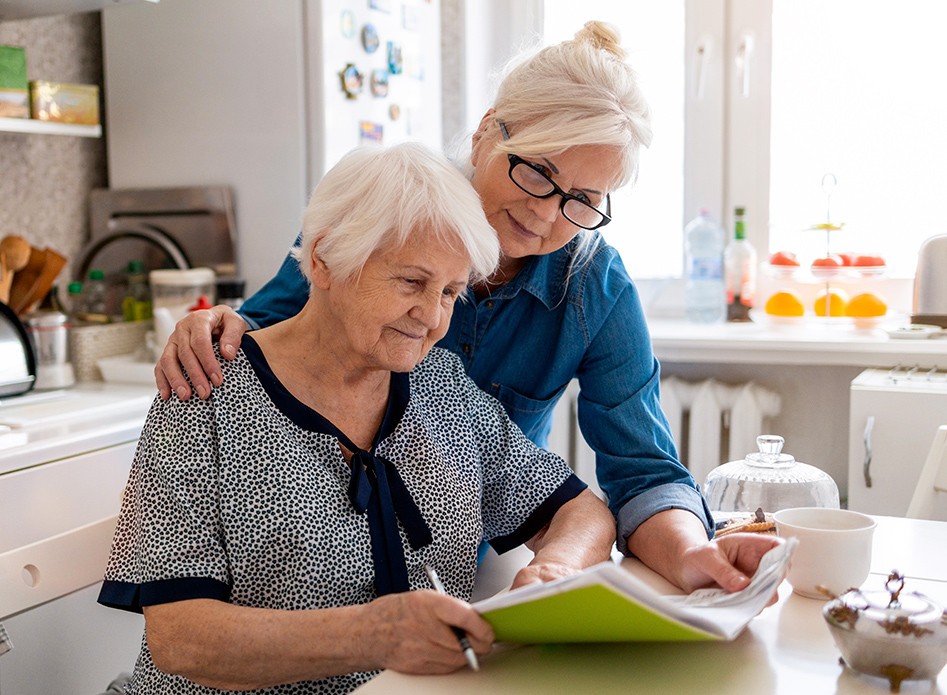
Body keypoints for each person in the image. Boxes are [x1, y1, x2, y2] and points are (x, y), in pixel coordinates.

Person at [155, 21, 781, 595]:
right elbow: (267, 335)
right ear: (487, 131)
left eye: (582, 198)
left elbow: (642, 471)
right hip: (321, 560)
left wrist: (692, 553)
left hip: (469, 561)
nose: (543, 213)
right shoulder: (383, 214)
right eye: (537, 171)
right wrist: (213, 324)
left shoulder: (595, 286)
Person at [99, 142, 617, 694]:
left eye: (450, 292)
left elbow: (581, 513)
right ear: (323, 259)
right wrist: (372, 635)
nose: (431, 316)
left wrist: (555, 570)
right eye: (412, 282)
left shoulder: (442, 387)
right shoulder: (206, 391)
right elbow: (181, 638)